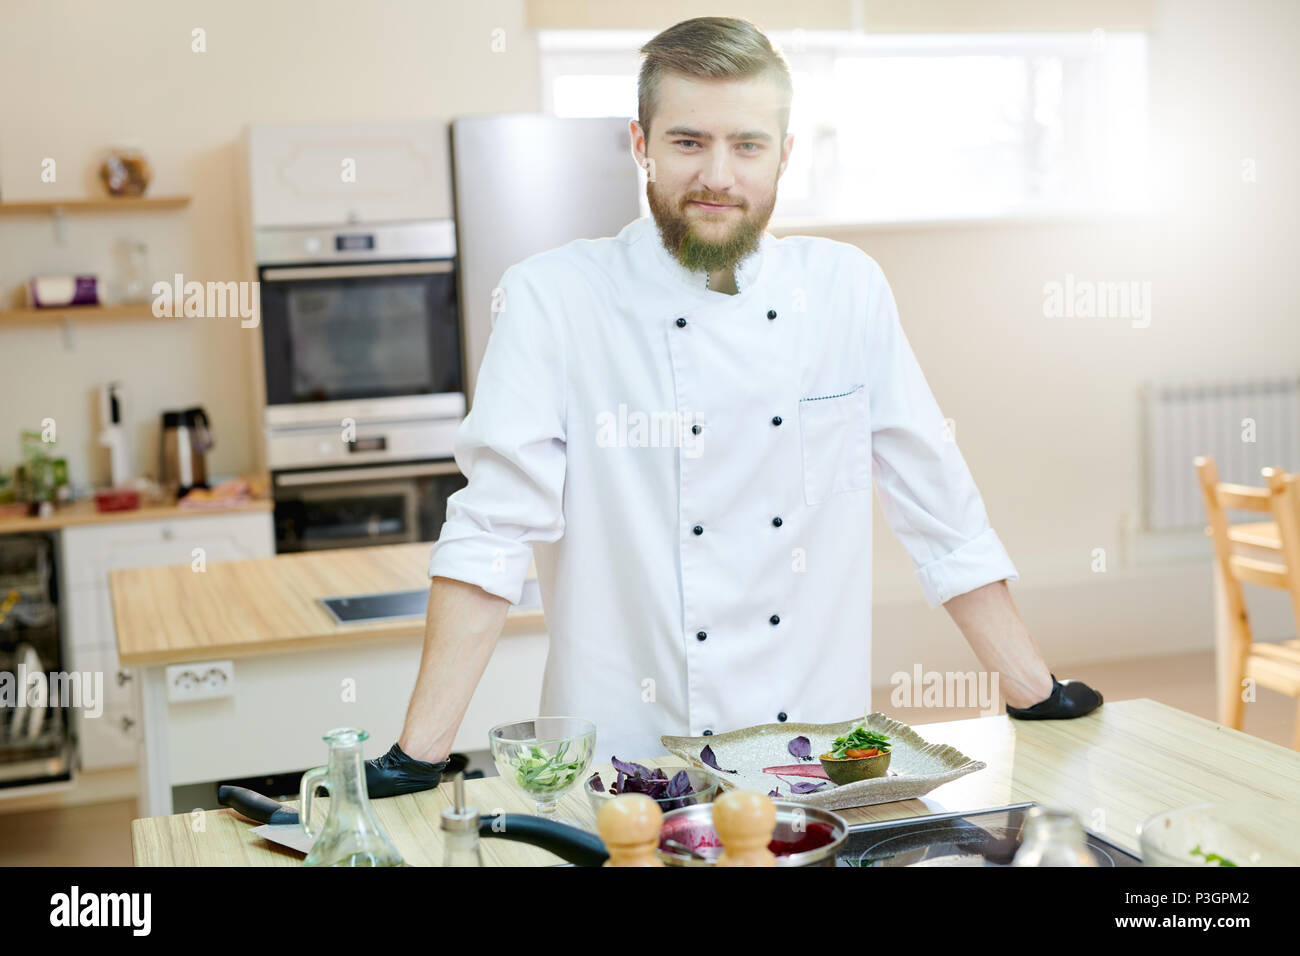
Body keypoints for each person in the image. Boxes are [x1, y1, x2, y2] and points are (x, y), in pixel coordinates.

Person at [366, 16, 1102, 796]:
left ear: (784, 155)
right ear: (640, 144)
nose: (717, 175)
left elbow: (936, 499)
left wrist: (1030, 688)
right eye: (688, 142)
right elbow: (491, 534)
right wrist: (420, 753)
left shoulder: (845, 289)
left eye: (747, 145)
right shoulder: (555, 297)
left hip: (816, 754)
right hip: (629, 754)